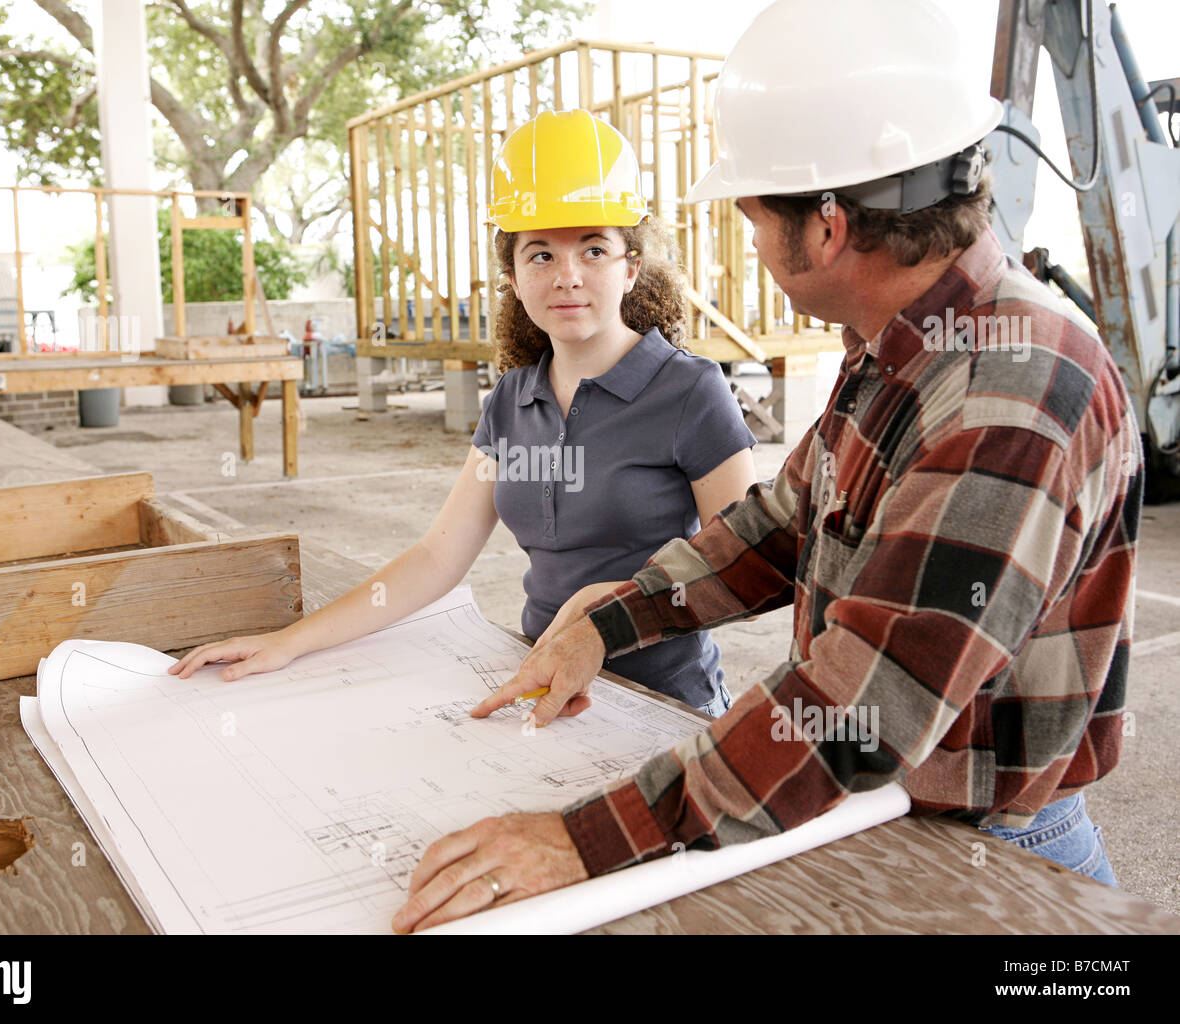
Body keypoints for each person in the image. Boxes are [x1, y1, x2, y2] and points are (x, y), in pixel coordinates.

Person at [390, 0, 1142, 934]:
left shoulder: (1012, 391)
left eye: (750, 215)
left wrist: (579, 840)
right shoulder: (901, 346)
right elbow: (781, 523)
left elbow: (859, 705)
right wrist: (613, 622)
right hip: (889, 818)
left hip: (994, 853)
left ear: (826, 227)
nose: (748, 240)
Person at [168, 108, 757, 719]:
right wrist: (287, 642)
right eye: (540, 255)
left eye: (594, 248)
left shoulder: (691, 392)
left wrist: (606, 603)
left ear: (631, 265)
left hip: (663, 705)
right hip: (538, 683)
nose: (568, 276)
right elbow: (436, 558)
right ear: (512, 275)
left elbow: (745, 571)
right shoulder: (512, 400)